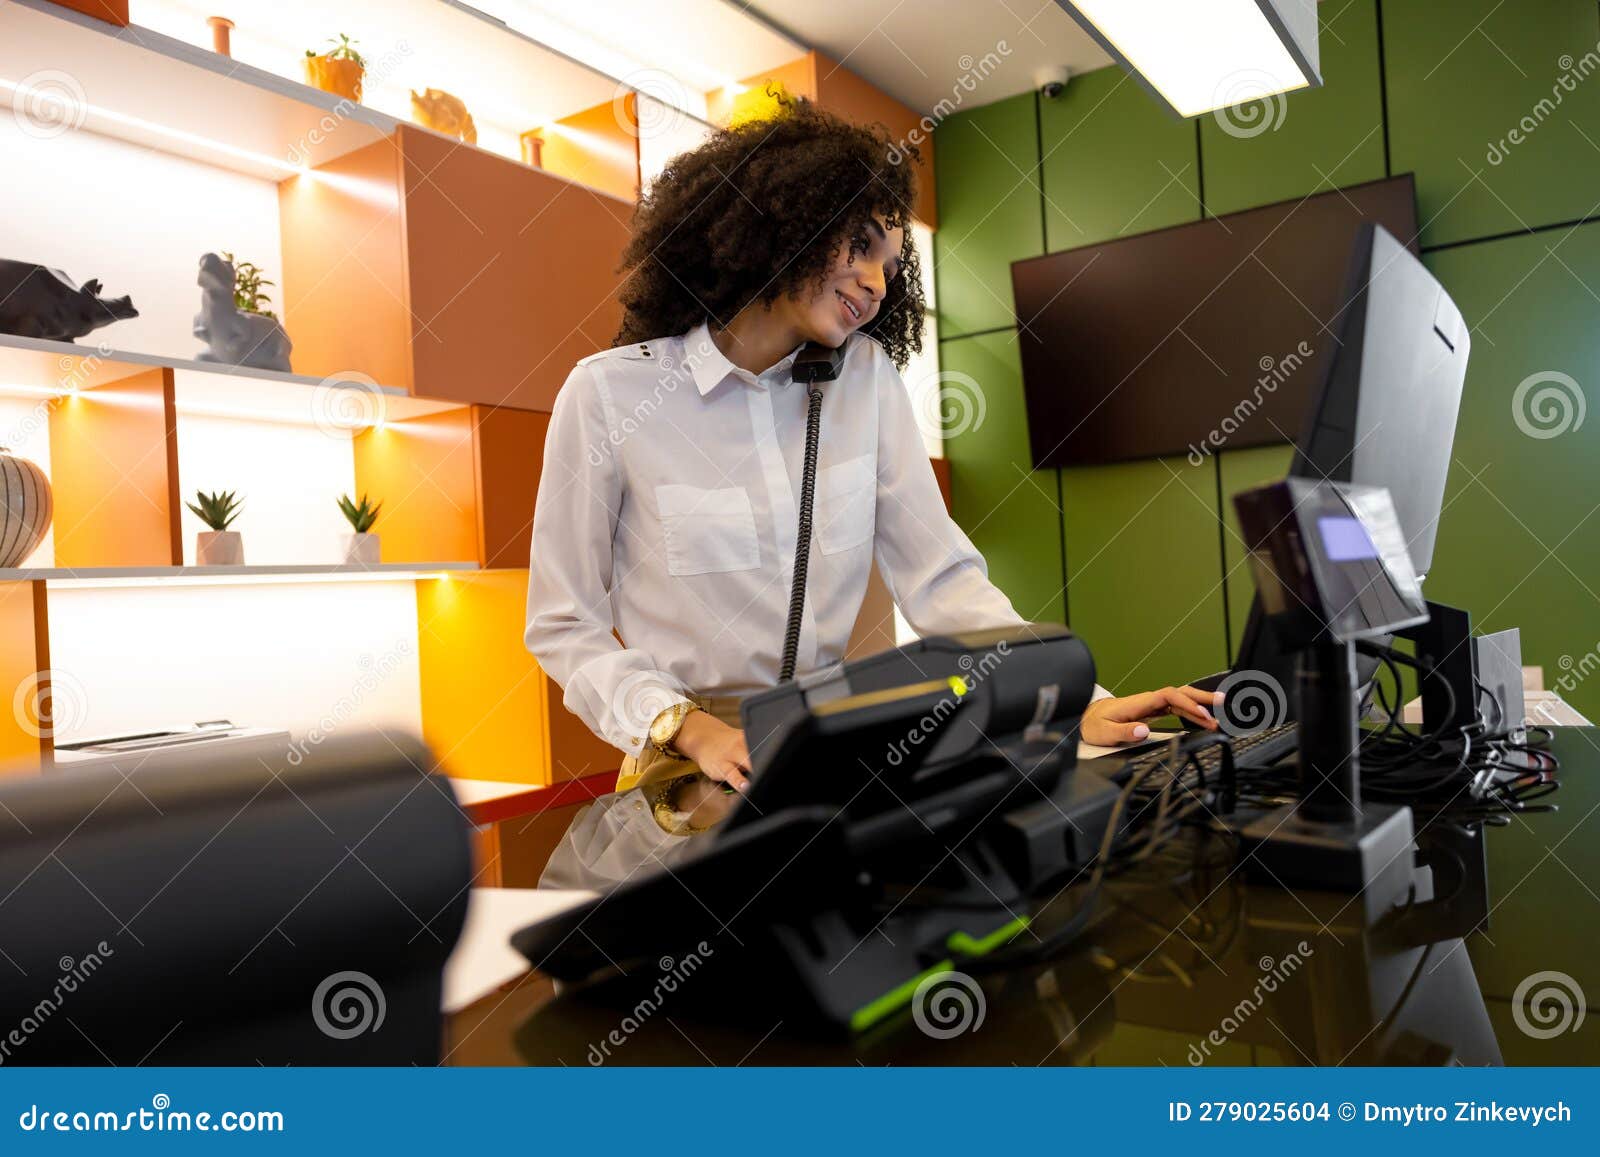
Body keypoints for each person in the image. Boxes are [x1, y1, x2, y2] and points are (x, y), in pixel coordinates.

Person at [525, 98, 1220, 890]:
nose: (876, 282)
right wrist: (685, 726)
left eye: (891, 261)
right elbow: (563, 623)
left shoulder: (867, 384)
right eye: (858, 245)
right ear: (777, 221)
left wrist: (1071, 704)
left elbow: (944, 581)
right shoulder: (612, 396)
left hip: (826, 759)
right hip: (682, 780)